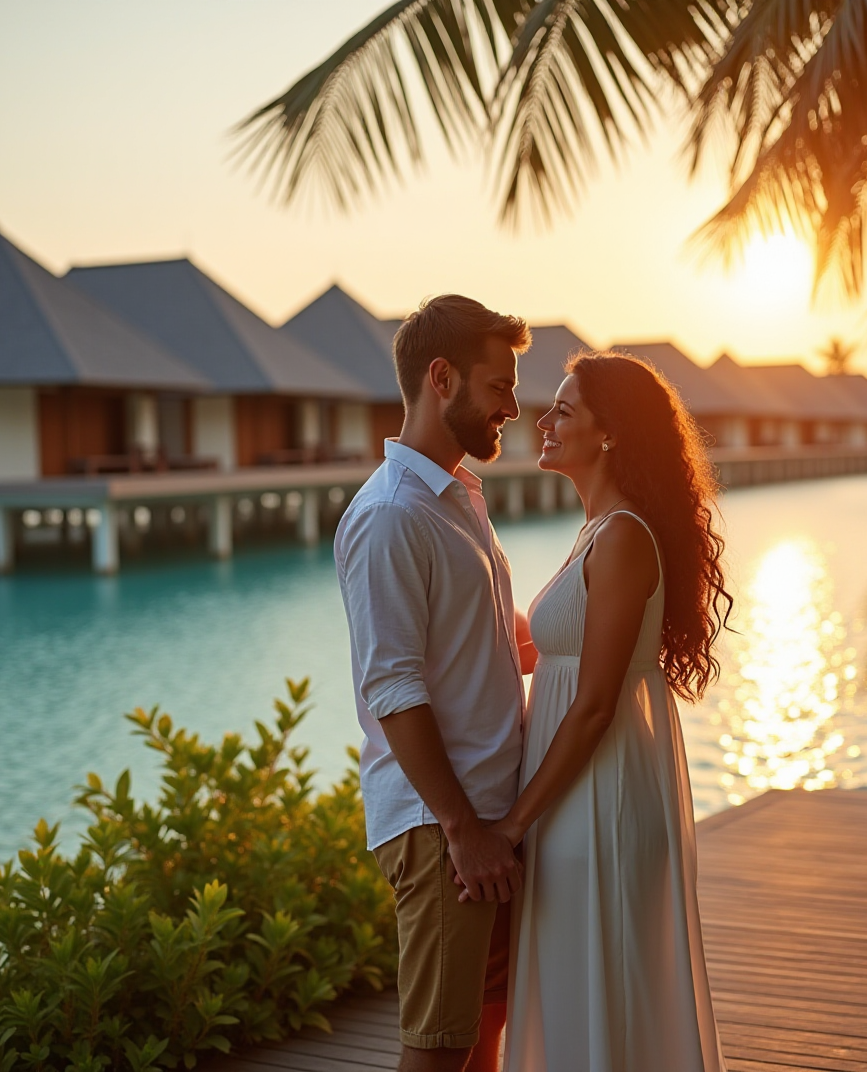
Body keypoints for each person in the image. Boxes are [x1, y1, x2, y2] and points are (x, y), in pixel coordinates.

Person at [489, 351, 733, 1072]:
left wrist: (512, 822)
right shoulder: (598, 531)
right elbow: (552, 659)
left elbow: (594, 705)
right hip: (575, 795)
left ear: (611, 433)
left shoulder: (623, 536)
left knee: (600, 990)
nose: (546, 419)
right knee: (578, 990)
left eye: (565, 409)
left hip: (598, 798)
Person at [334, 294, 537, 1072]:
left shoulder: (458, 499)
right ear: (442, 378)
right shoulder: (391, 516)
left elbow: (479, 646)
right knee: (438, 1053)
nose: (513, 408)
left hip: (487, 819)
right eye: (500, 386)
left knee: (481, 1033)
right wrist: (463, 829)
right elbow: (393, 691)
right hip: (441, 828)